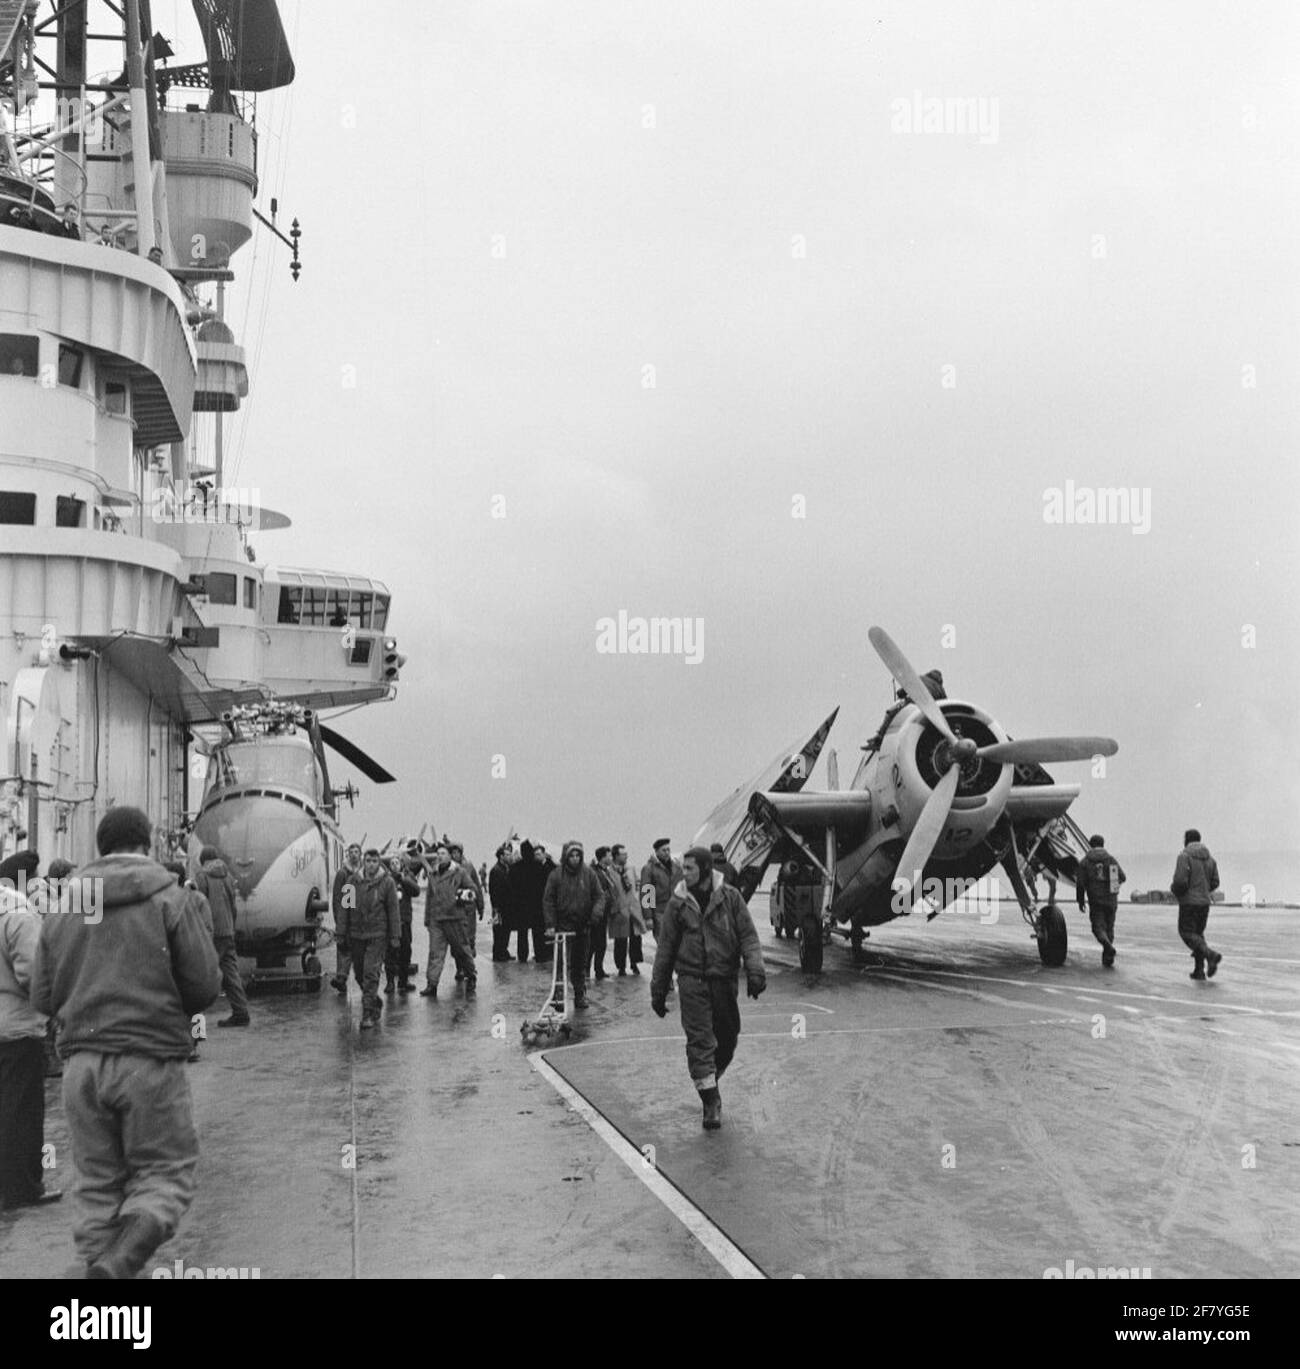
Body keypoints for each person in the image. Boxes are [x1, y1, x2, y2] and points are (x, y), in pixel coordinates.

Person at [31, 806, 220, 1278]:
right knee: (164, 1175)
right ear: (148, 843)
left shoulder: (63, 906)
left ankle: (94, 1305)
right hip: (149, 1061)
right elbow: (202, 987)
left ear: (99, 849)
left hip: (81, 1067)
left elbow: (40, 994)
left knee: (96, 1188)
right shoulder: (169, 899)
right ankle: (116, 1267)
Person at [650, 846, 766, 1131]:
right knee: (700, 1040)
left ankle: (709, 1076)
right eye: (683, 867)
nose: (683, 872)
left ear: (704, 869)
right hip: (691, 980)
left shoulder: (730, 897)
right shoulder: (675, 901)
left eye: (690, 868)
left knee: (727, 1037)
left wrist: (755, 970)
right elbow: (665, 949)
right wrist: (659, 988)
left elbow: (748, 937)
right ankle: (710, 1101)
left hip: (723, 978)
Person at [0, 856, 60, 1211]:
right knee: (20, 1111)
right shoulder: (17, 912)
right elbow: (34, 976)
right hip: (17, 1028)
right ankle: (21, 1188)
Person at [337, 850, 400, 1029]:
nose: (371, 864)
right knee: (358, 973)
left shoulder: (388, 883)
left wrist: (395, 937)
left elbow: (393, 911)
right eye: (368, 860)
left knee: (370, 973)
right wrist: (341, 933)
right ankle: (374, 1002)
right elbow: (344, 910)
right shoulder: (351, 882)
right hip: (356, 935)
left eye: (374, 861)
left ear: (379, 862)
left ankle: (367, 1014)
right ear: (363, 862)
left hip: (377, 935)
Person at [543, 841, 608, 1010]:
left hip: (585, 924)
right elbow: (548, 899)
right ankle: (559, 995)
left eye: (578, 855)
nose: (575, 858)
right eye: (571, 855)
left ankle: (581, 992)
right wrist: (648, 911)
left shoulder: (592, 873)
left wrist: (596, 915)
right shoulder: (557, 875)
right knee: (562, 963)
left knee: (582, 961)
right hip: (563, 925)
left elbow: (601, 896)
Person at [193, 846, 249, 1027]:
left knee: (199, 977)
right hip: (227, 931)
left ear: (203, 861)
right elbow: (233, 906)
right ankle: (241, 1013)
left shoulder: (202, 876)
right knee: (231, 974)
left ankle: (195, 1028)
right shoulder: (228, 875)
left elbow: (199, 904)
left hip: (211, 933)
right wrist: (231, 926)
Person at [421, 843, 478, 998]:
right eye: (438, 853)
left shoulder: (459, 872)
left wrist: (463, 897)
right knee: (435, 953)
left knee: (462, 950)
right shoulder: (433, 873)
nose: (440, 856)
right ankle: (432, 984)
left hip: (454, 918)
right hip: (437, 919)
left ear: (449, 856)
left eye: (443, 853)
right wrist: (428, 918)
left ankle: (471, 975)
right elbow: (430, 897)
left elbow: (473, 889)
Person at [1172, 829, 1222, 980]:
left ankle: (1210, 955)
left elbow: (1180, 881)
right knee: (1198, 935)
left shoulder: (1184, 856)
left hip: (1189, 902)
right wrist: (1204, 891)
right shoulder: (1210, 859)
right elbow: (1215, 882)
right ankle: (1199, 970)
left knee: (1187, 933)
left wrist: (1176, 890)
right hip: (1204, 903)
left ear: (1186, 840)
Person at [1075, 835, 1125, 967]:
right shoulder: (1111, 860)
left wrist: (1080, 901)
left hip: (1096, 900)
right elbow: (1123, 877)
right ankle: (1108, 956)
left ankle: (1108, 947)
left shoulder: (1085, 862)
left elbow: (1080, 884)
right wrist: (1115, 883)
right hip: (1111, 900)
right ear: (1103, 844)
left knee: (1098, 928)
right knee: (1109, 928)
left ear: (1090, 845)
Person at [385, 856, 421, 994]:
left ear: (401, 865)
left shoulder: (407, 877)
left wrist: (403, 879)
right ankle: (389, 982)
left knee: (406, 951)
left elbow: (416, 891)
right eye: (392, 863)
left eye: (396, 863)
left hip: (404, 920)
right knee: (390, 953)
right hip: (390, 921)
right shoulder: (386, 880)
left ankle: (403, 981)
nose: (394, 865)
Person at [609, 843, 646, 976]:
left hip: (633, 908)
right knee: (621, 939)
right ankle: (621, 966)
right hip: (619, 909)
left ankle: (634, 963)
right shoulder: (609, 871)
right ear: (616, 856)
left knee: (636, 936)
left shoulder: (631, 868)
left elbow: (639, 885)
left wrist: (645, 906)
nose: (626, 856)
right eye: (623, 854)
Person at [507, 840, 546, 963]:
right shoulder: (539, 866)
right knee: (538, 932)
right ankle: (540, 955)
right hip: (537, 905)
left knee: (522, 933)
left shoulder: (514, 868)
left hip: (521, 906)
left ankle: (522, 956)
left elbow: (511, 889)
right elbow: (544, 887)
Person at [448, 840, 483, 974]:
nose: (454, 855)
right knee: (456, 941)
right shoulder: (448, 868)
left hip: (469, 909)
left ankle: (469, 968)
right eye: (452, 852)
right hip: (455, 909)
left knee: (470, 939)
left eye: (457, 852)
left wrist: (480, 906)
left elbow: (477, 885)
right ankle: (459, 968)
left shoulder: (469, 866)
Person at [331, 844, 362, 992]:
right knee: (344, 947)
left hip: (361, 917)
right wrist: (339, 919)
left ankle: (360, 979)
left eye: (357, 852)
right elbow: (337, 897)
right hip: (347, 916)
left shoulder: (363, 873)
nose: (354, 855)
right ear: (348, 854)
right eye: (352, 852)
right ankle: (341, 978)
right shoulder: (342, 874)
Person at [586, 847, 620, 981]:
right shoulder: (595, 872)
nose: (612, 858)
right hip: (599, 912)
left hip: (609, 911)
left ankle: (599, 969)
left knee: (602, 942)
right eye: (610, 856)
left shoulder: (610, 871)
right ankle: (588, 969)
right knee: (595, 942)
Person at [640, 839, 682, 941]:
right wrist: (648, 917)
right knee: (663, 944)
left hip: (677, 911)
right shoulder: (649, 869)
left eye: (668, 850)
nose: (667, 852)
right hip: (659, 912)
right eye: (664, 850)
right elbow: (646, 894)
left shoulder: (677, 867)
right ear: (656, 852)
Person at [488, 845, 515, 963]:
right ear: (501, 856)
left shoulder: (505, 868)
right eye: (507, 854)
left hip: (507, 906)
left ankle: (504, 951)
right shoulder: (496, 870)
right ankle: (498, 954)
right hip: (500, 907)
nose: (510, 856)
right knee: (499, 931)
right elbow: (494, 890)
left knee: (506, 930)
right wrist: (496, 907)